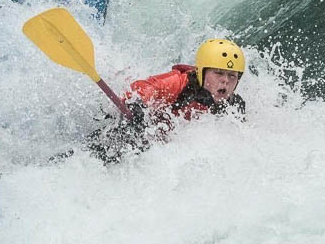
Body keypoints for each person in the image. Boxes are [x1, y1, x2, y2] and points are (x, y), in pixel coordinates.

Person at [88, 38, 246, 163]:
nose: (226, 81)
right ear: (201, 72)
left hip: (165, 146)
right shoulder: (179, 83)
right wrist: (136, 104)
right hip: (140, 127)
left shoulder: (234, 107)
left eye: (232, 76)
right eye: (218, 73)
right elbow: (146, 86)